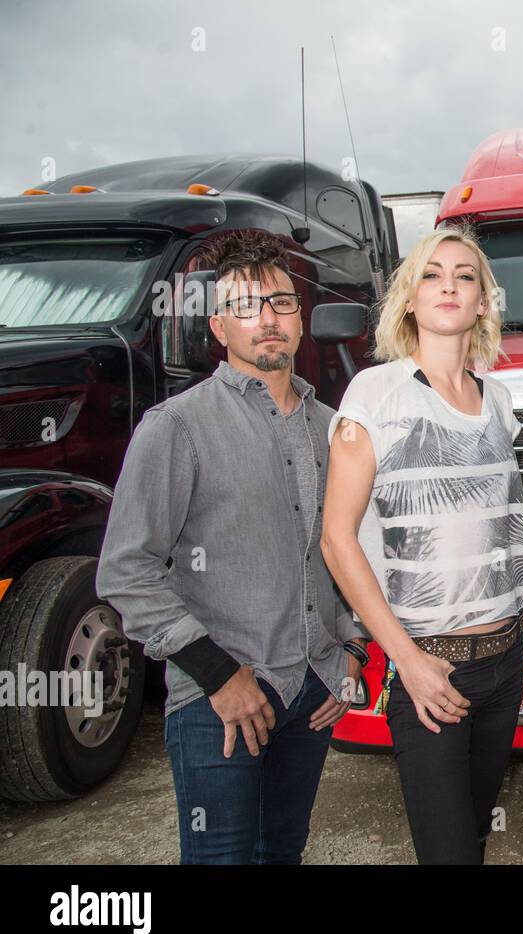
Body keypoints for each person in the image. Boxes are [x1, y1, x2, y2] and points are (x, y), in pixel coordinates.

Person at [97, 229, 365, 864]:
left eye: (279, 302)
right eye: (245, 307)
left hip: (313, 689)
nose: (265, 320)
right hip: (219, 698)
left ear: (300, 318)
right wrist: (221, 677)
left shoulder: (336, 429)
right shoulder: (177, 427)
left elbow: (351, 550)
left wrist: (350, 650)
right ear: (219, 326)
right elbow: (127, 570)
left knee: (284, 851)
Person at [321, 226, 523, 865]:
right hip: (431, 670)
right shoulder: (374, 395)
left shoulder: (498, 402)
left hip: (505, 664)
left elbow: (511, 527)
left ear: (483, 302)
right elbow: (338, 540)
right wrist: (407, 663)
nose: (449, 284)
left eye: (465, 275)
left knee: (471, 838)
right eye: (432, 273)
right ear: (409, 300)